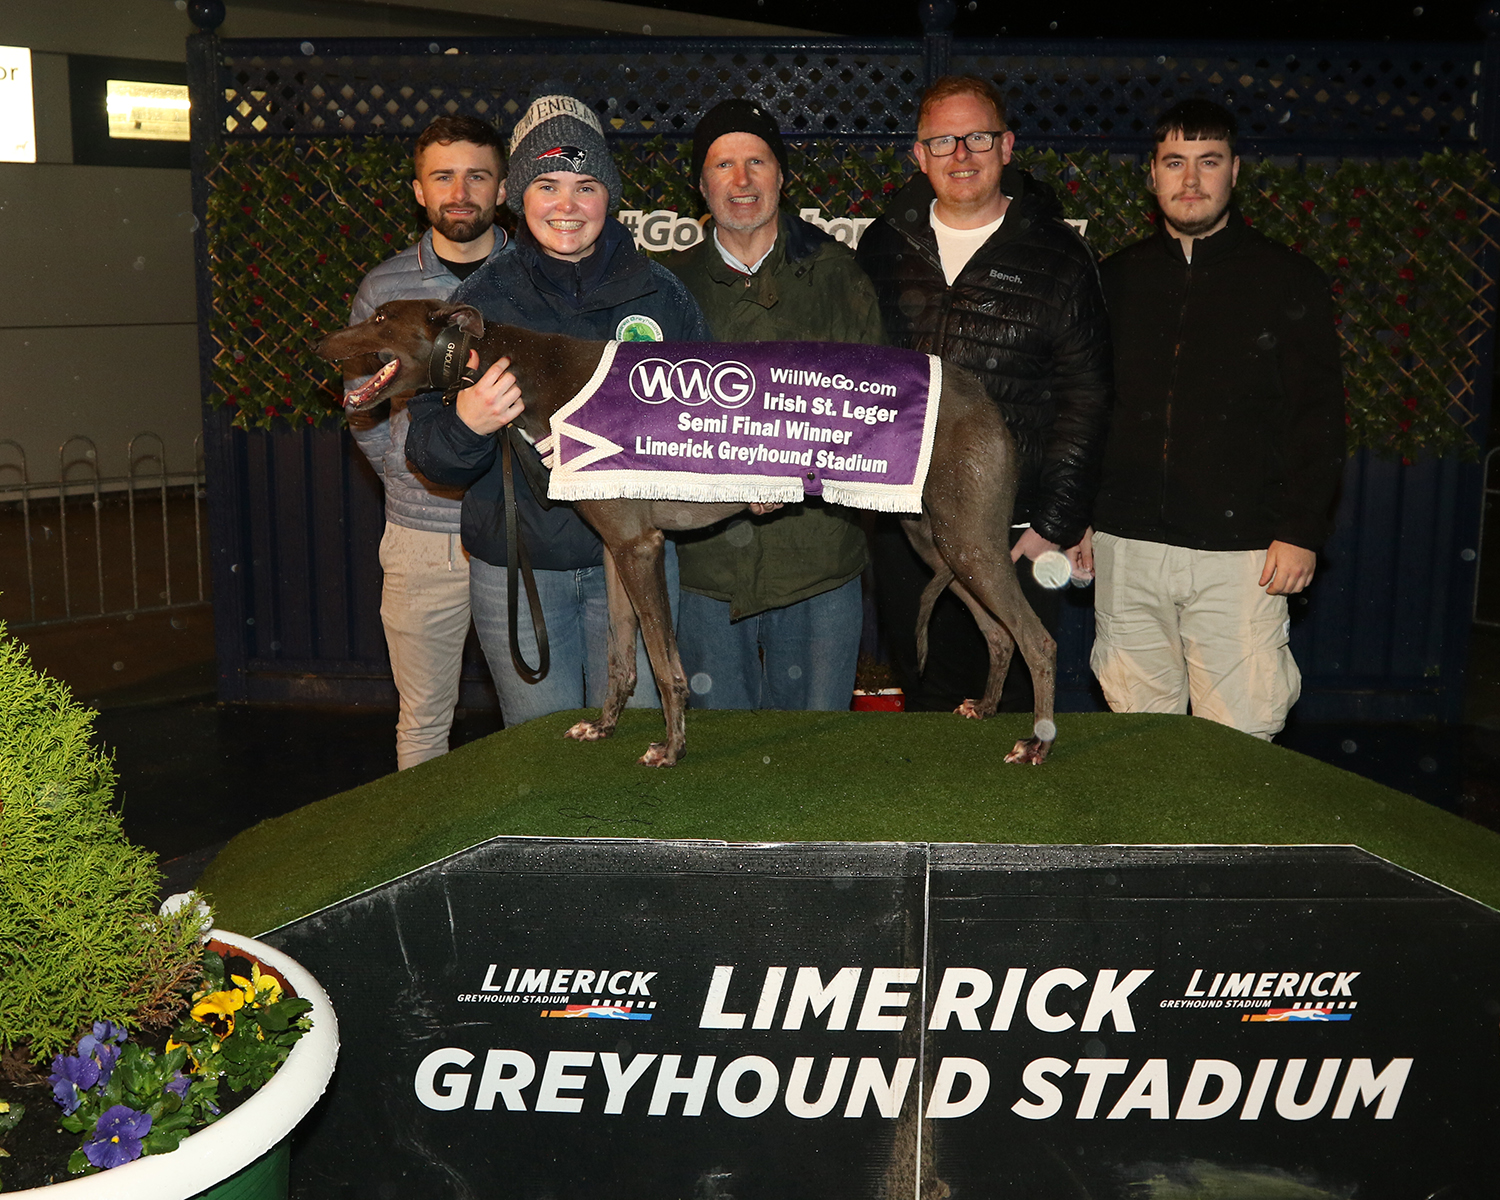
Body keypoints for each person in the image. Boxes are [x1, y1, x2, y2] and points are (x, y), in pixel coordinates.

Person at [405, 95, 711, 725]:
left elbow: (708, 422)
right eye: (547, 185)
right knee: (539, 753)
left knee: (640, 749)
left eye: (586, 186)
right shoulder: (478, 303)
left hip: (633, 559)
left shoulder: (661, 295)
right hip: (519, 573)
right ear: (517, 196)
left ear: (609, 197)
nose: (566, 205)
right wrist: (468, 423)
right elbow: (429, 451)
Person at [1088, 99, 1345, 739]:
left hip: (1244, 556)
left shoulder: (1288, 279)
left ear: (1235, 171)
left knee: (1240, 738)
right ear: (1153, 174)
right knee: (1138, 737)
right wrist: (1080, 518)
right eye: (1175, 162)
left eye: (1209, 161)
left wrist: (1301, 530)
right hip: (1127, 548)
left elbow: (1317, 416)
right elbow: (1088, 405)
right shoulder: (1114, 281)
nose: (1191, 179)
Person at [856, 75, 1111, 713]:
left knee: (1017, 704)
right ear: (920, 155)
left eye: (977, 137)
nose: (961, 154)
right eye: (943, 141)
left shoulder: (1058, 254)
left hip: (1018, 530)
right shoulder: (883, 245)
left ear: (1006, 146)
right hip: (909, 526)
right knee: (928, 708)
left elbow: (1086, 394)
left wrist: (1055, 523)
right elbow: (857, 374)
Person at [667, 98, 884, 711]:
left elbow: (873, 415)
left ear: (782, 176)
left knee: (815, 750)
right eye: (723, 164)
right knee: (719, 753)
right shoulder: (666, 287)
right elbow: (648, 425)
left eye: (757, 162)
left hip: (817, 557)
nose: (741, 181)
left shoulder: (839, 276)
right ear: (701, 185)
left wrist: (798, 469)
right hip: (706, 565)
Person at [345, 115, 508, 769]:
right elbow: (360, 403)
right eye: (443, 177)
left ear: (502, 189)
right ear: (419, 191)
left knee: (538, 717)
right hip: (421, 538)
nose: (460, 193)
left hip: (520, 534)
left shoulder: (535, 280)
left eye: (477, 176)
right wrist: (405, 470)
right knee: (422, 724)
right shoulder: (384, 290)